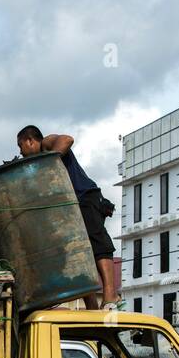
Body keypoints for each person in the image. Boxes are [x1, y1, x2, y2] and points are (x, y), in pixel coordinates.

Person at [16, 127, 120, 310]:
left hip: (85, 196)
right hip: (68, 207)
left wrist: (48, 161)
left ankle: (110, 295)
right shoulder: (33, 167)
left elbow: (67, 139)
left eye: (20, 145)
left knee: (98, 243)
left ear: (30, 141)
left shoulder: (47, 144)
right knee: (78, 254)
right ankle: (92, 306)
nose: (20, 151)